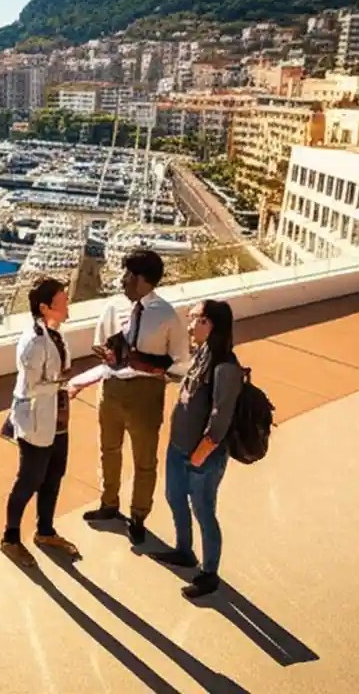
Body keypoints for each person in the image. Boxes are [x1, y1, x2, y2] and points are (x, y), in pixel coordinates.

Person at [85, 249, 190, 545]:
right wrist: (108, 353)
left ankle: (139, 516)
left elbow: (181, 361)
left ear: (142, 279)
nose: (122, 280)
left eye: (129, 275)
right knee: (109, 449)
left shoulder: (167, 315)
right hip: (111, 388)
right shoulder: (112, 307)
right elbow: (98, 344)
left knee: (144, 461)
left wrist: (150, 365)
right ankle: (109, 504)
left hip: (146, 394)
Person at [150, 300, 242, 598]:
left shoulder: (226, 367)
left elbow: (220, 417)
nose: (189, 325)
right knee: (174, 498)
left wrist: (201, 454)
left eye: (194, 319)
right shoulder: (202, 354)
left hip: (202, 456)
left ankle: (209, 573)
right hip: (179, 449)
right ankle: (184, 550)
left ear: (210, 324)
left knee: (203, 510)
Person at [0, 277, 81, 569]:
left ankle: (45, 530)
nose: (67, 304)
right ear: (45, 307)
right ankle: (10, 537)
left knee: (54, 474)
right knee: (29, 480)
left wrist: (63, 382)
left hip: (57, 419)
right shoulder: (33, 342)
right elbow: (30, 387)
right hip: (36, 420)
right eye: (62, 300)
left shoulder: (55, 334)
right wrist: (62, 383)